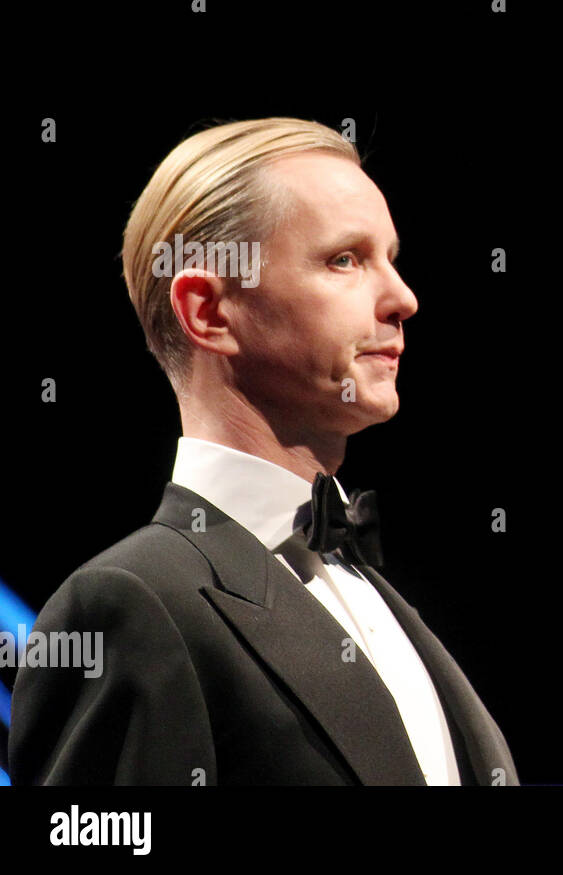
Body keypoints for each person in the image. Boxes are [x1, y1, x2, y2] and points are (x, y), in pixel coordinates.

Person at [7, 118, 518, 785]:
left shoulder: (373, 589)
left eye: (391, 257)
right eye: (345, 259)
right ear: (210, 312)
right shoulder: (125, 607)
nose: (403, 298)